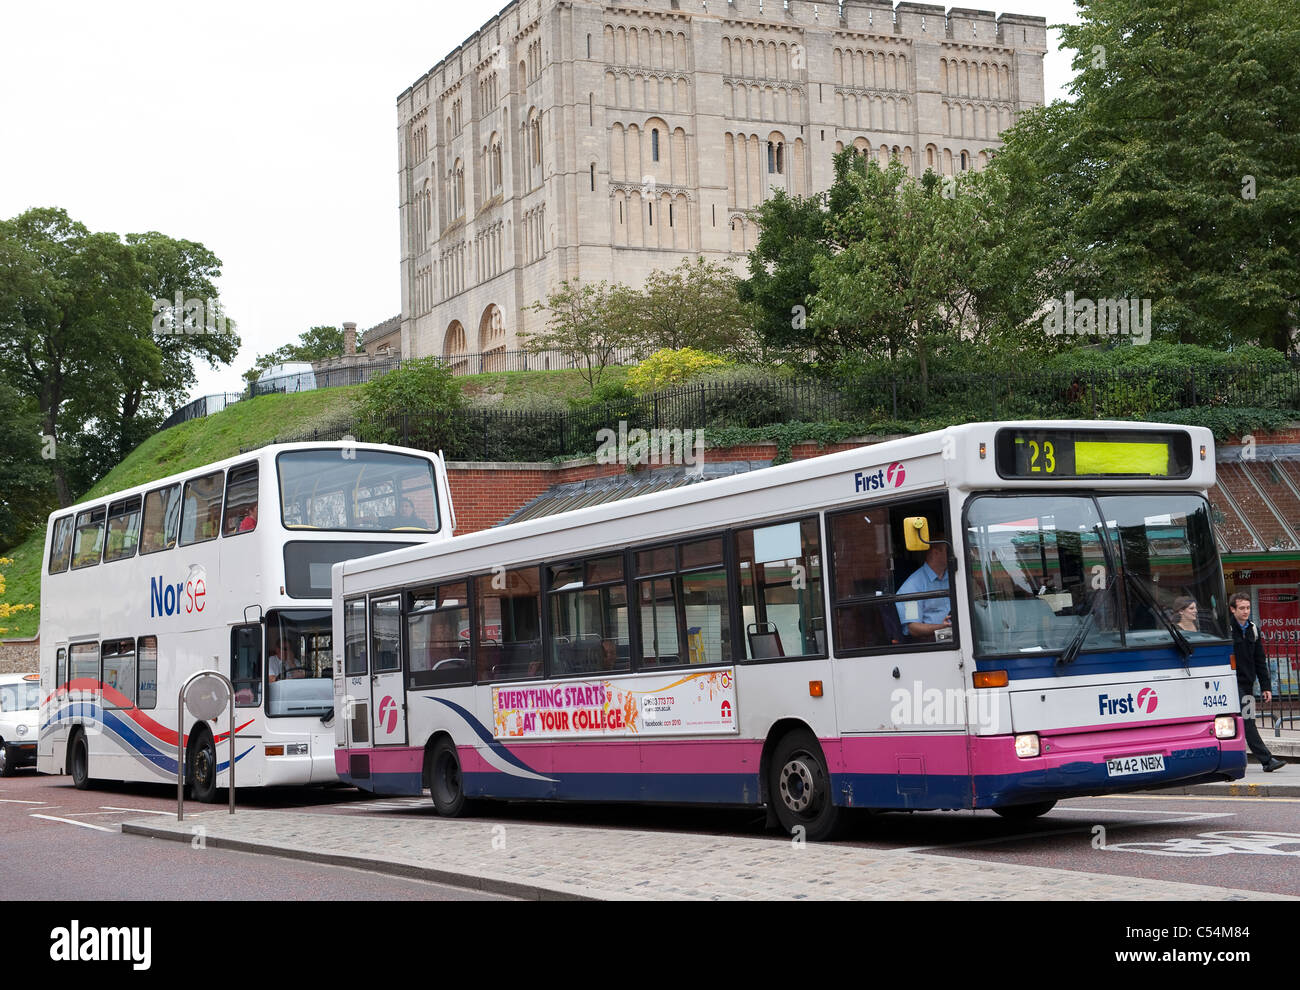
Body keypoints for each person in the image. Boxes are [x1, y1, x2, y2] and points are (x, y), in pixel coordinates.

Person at [1229, 593, 1285, 772]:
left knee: (1243, 721)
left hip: (1247, 684)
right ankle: (1267, 761)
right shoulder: (1226, 629)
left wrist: (1266, 686)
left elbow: (1259, 660)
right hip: (1230, 684)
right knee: (1247, 721)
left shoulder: (1253, 629)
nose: (1246, 611)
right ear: (1232, 609)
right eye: (1242, 608)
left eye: (1248, 607)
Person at [896, 534, 951, 640]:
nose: (954, 555)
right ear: (936, 553)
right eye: (949, 551)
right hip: (932, 639)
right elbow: (913, 628)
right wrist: (942, 627)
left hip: (954, 633)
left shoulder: (953, 577)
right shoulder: (911, 587)